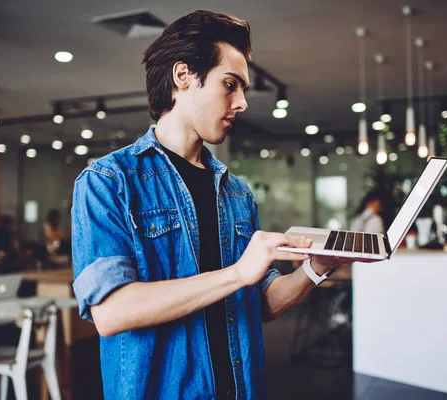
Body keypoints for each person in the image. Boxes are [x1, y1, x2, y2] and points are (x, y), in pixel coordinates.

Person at [72, 10, 374, 399]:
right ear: (183, 77)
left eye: (244, 88)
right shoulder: (108, 181)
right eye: (230, 85)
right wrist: (238, 273)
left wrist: (318, 267)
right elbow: (112, 313)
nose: (243, 102)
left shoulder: (237, 193)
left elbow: (262, 303)